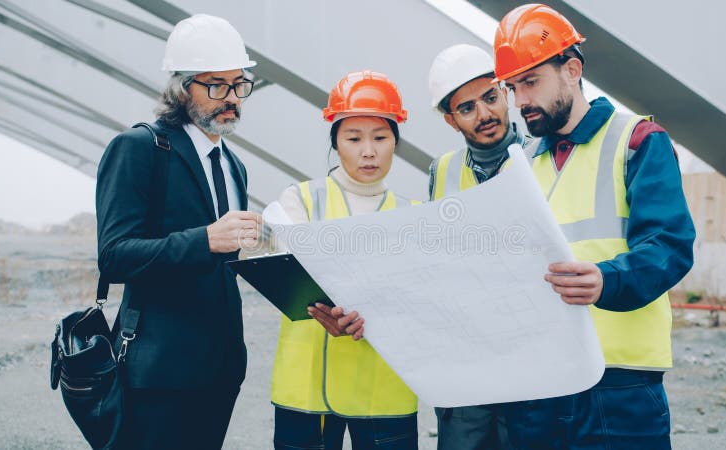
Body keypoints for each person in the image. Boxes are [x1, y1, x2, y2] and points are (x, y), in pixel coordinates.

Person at [492, 4, 696, 449]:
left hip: (619, 385)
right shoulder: (521, 165)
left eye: (530, 81)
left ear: (571, 69)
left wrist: (607, 279)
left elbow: (670, 245)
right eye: (512, 87)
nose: (520, 100)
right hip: (540, 383)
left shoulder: (638, 141)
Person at [95, 14, 261, 449]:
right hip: (159, 374)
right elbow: (114, 256)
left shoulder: (234, 165)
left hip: (222, 370)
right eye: (216, 85)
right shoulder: (139, 148)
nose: (231, 98)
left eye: (238, 84)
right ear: (183, 87)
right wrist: (204, 239)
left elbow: (224, 263)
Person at [270, 70, 419, 450]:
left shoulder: (415, 214)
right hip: (308, 395)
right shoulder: (299, 201)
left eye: (381, 137)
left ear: (395, 142)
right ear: (336, 142)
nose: (368, 151)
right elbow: (288, 274)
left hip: (383, 392)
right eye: (354, 138)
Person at [426, 43, 531, 450]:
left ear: (505, 93)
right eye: (467, 108)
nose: (485, 114)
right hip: (465, 367)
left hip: (529, 363)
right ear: (452, 121)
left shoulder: (541, 159)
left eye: (490, 97)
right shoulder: (442, 172)